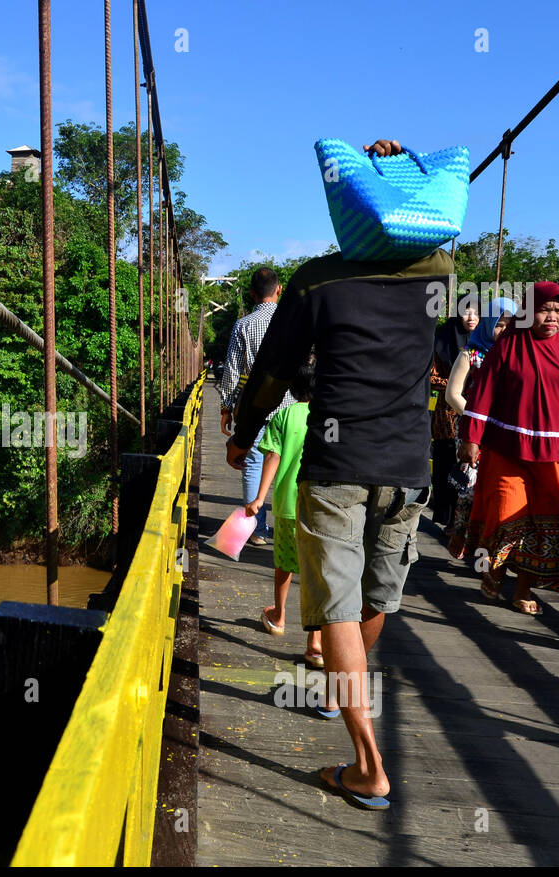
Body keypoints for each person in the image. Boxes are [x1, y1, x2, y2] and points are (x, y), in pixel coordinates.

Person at [227, 138, 451, 809]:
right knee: (374, 604)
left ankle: (368, 766)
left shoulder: (316, 281)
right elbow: (435, 242)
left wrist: (242, 436)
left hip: (337, 470)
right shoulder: (438, 277)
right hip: (410, 470)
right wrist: (404, 162)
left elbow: (271, 374)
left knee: (344, 613)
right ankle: (343, 694)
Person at [459, 282, 559, 614]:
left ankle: (523, 590)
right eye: (545, 309)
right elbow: (483, 392)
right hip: (506, 448)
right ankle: (493, 570)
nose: (552, 317)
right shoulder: (507, 347)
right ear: (527, 313)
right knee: (503, 511)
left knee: (544, 521)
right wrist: (471, 437)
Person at [245, 359, 321, 669]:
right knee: (317, 574)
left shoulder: (284, 415)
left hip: (288, 506)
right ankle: (315, 644)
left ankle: (278, 616)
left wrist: (258, 499)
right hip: (321, 506)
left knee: (284, 564)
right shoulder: (328, 418)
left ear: (292, 387)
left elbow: (273, 457)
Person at [219, 267, 294, 545]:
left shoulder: (243, 325)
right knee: (290, 466)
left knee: (253, 463)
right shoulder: (294, 324)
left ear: (251, 294)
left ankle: (256, 530)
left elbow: (233, 371)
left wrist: (226, 406)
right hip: (291, 406)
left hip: (257, 408)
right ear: (279, 289)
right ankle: (291, 528)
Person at [443, 298, 515, 559]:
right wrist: (478, 420)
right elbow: (453, 395)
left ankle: (490, 548)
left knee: (501, 489)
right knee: (469, 486)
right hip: (475, 432)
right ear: (488, 325)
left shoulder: (518, 357)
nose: (504, 331)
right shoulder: (471, 354)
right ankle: (460, 533)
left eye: (510, 325)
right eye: (499, 325)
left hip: (505, 434)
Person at [430, 299, 479, 523]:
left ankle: (463, 524)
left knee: (469, 470)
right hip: (448, 417)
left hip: (475, 415)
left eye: (476, 314)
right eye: (466, 313)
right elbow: (431, 376)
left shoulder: (485, 343)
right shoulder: (443, 340)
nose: (471, 318)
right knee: (447, 465)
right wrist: (456, 384)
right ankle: (448, 521)